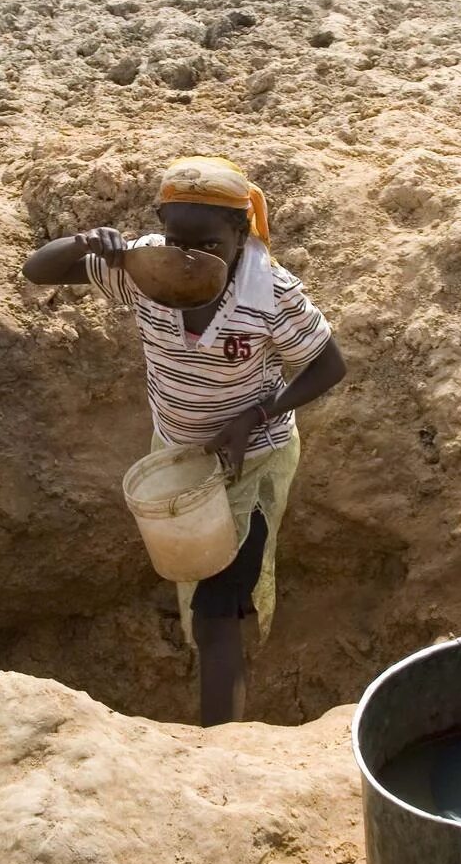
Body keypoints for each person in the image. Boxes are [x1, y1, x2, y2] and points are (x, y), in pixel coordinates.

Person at [22, 158, 347, 726]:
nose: (190, 257)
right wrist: (85, 243)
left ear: (241, 236)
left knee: (216, 611)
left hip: (254, 454)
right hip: (176, 452)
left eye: (210, 245)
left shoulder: (269, 292)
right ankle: (225, 629)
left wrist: (257, 414)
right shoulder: (145, 267)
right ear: (161, 228)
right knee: (196, 572)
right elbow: (38, 271)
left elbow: (328, 365)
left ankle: (220, 745)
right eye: (178, 239)